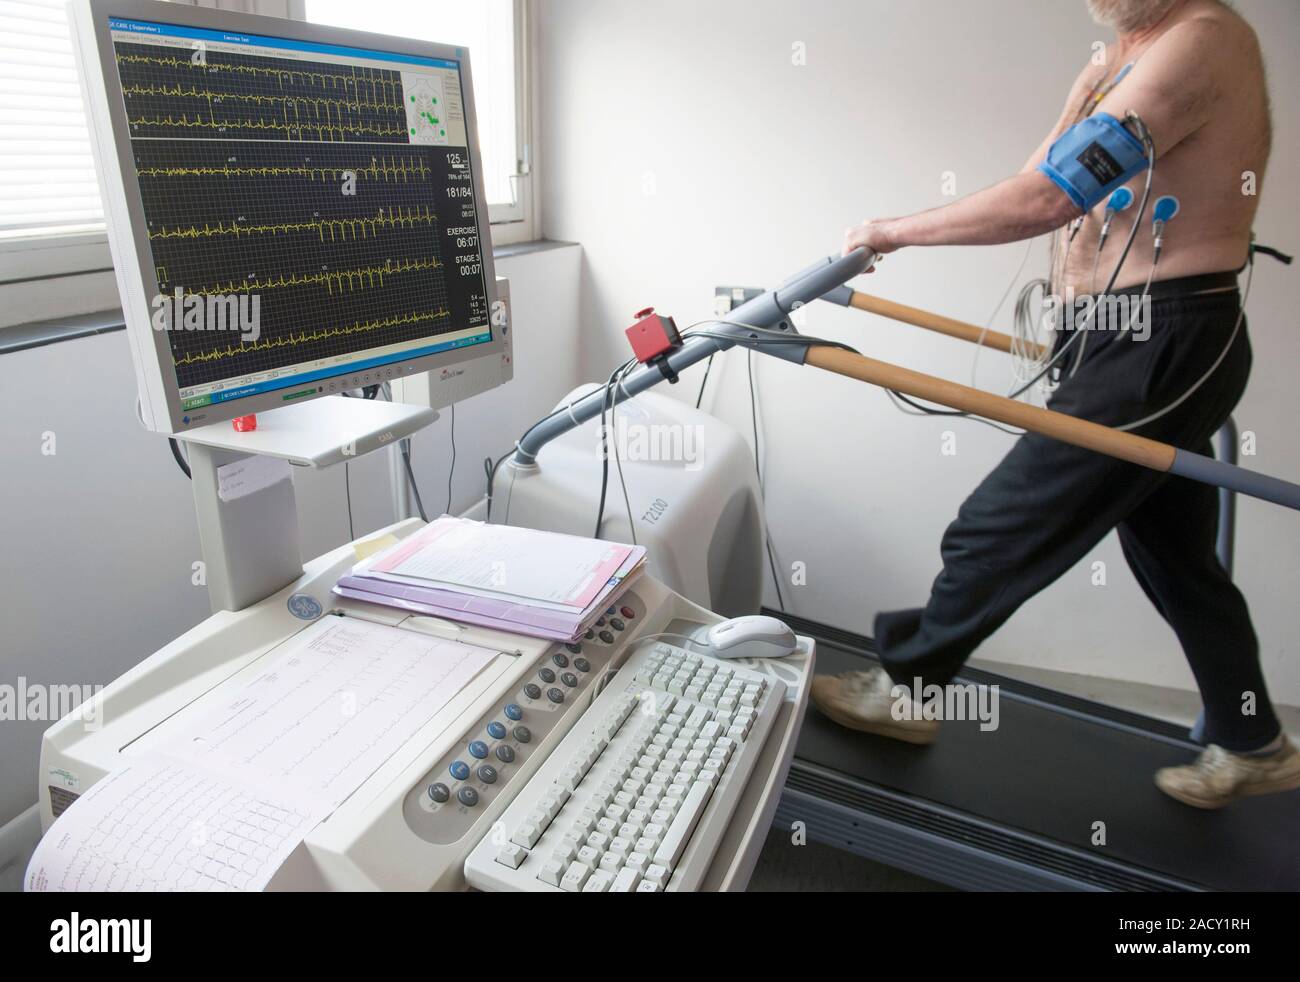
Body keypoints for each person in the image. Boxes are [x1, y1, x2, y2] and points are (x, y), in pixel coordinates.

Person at [811, 0, 1300, 809]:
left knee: (1000, 519)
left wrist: (890, 233)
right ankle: (1254, 742)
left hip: (1163, 336)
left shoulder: (1201, 40)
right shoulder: (1114, 60)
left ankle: (908, 687)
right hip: (1114, 338)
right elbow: (1033, 179)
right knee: (1176, 556)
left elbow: (1050, 199)